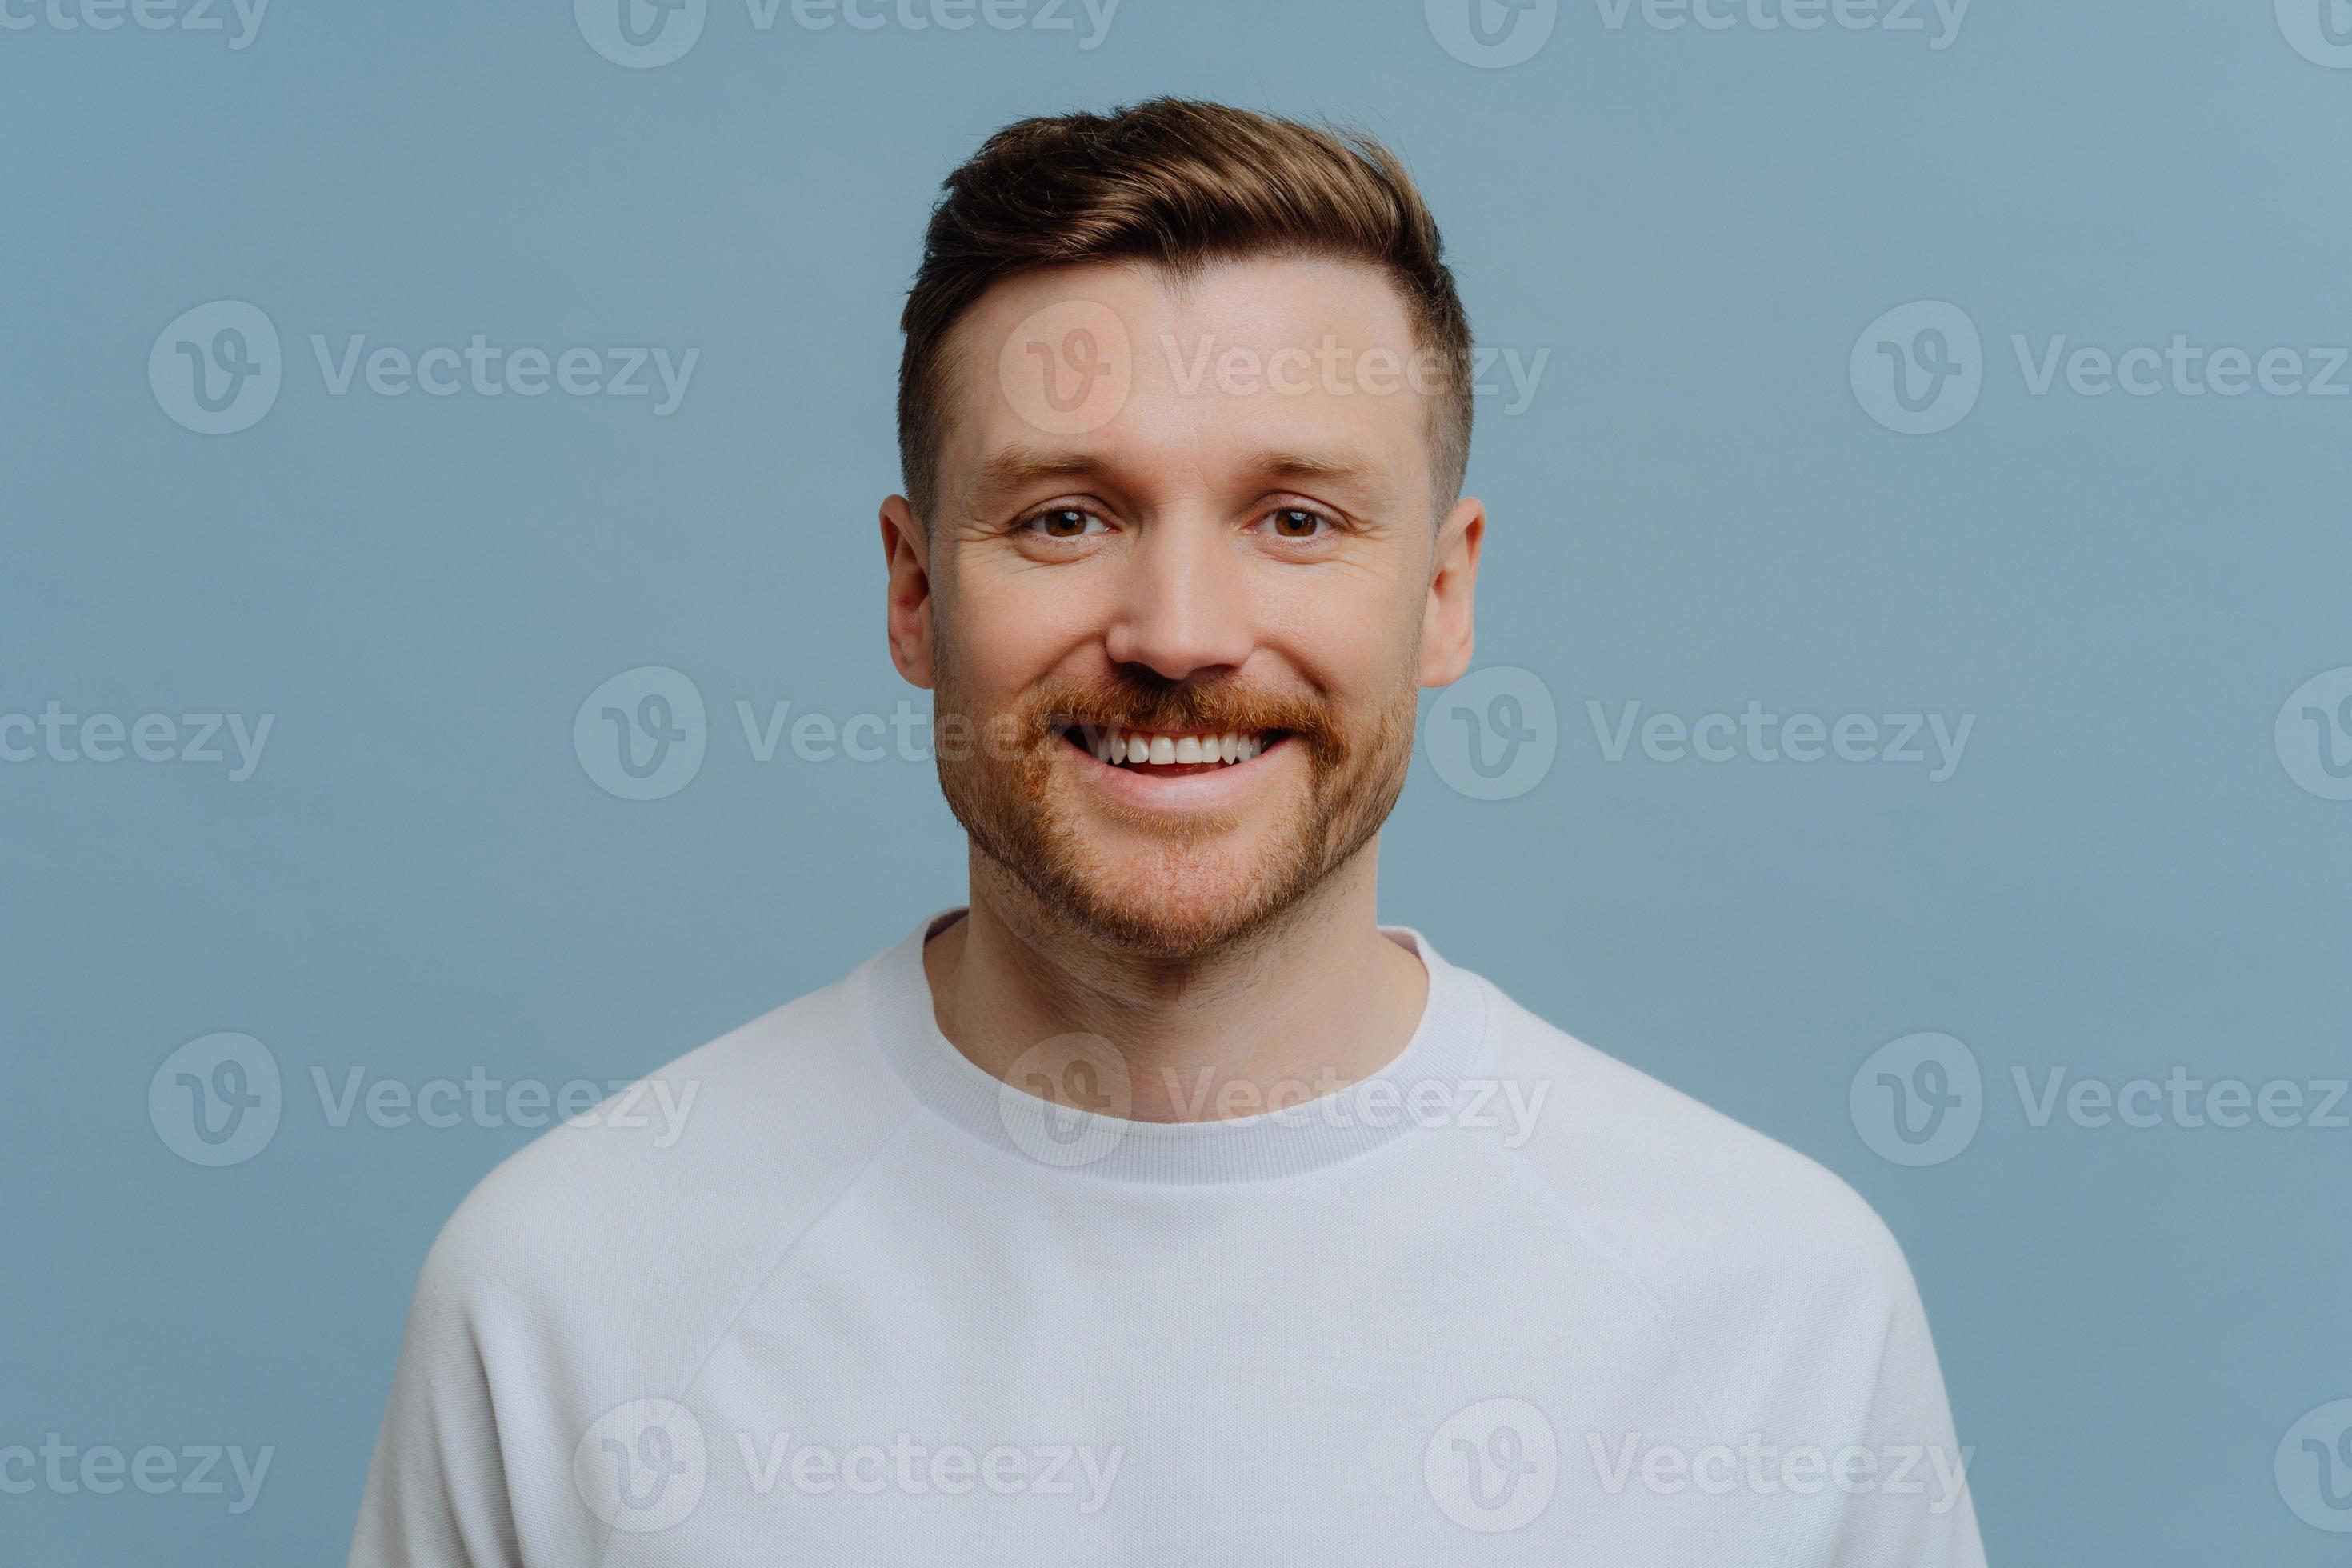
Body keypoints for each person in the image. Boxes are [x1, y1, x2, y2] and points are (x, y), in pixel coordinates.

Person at [347, 97, 1986, 1565]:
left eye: (1295, 518)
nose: (1181, 630)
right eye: (1067, 516)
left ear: (1443, 591)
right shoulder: (566, 1289)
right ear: (917, 592)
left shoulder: (1779, 1309)